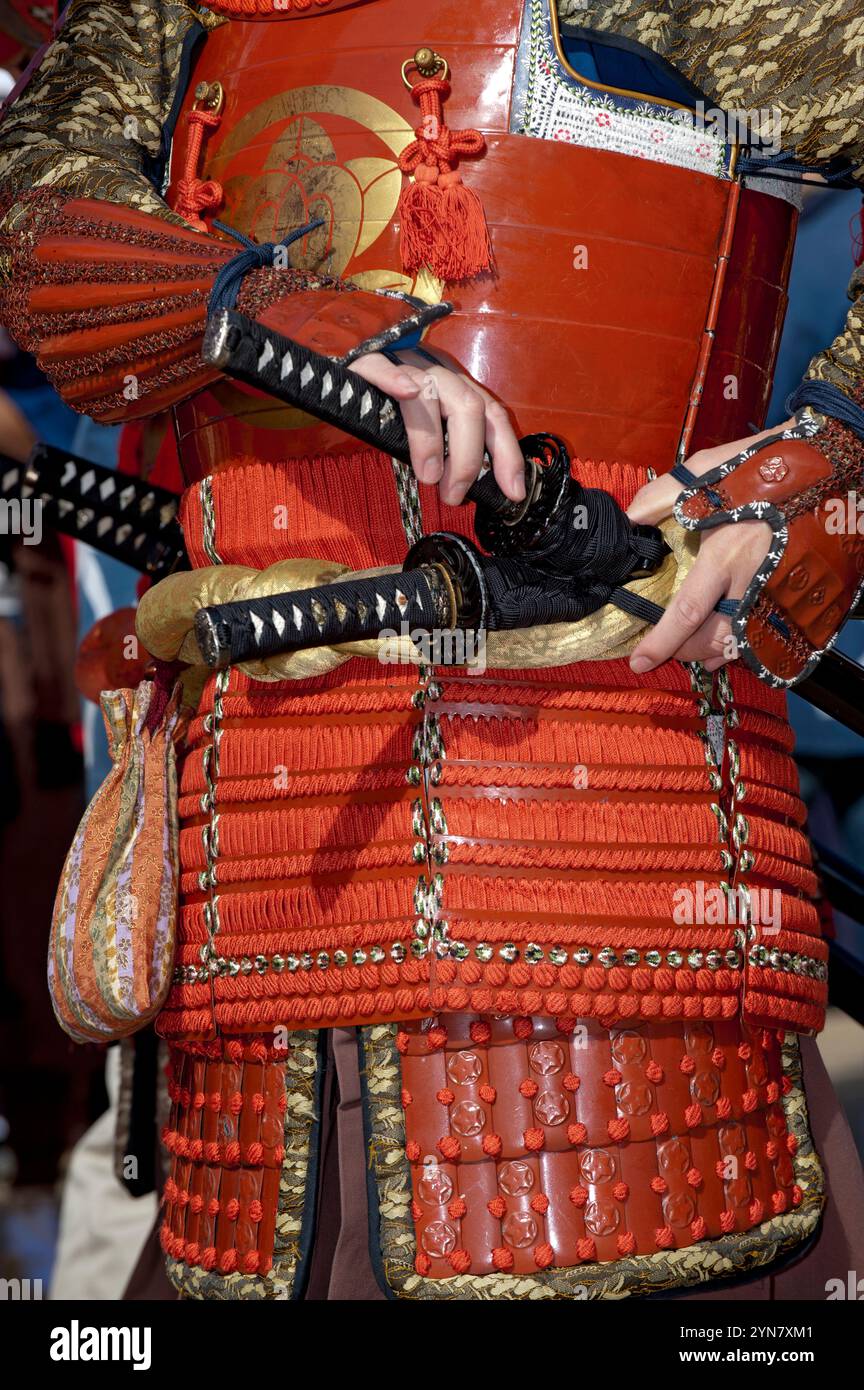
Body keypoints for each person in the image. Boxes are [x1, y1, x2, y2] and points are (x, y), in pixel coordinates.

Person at [0, 0, 863, 1301]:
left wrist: (831, 453)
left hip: (602, 846)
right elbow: (33, 233)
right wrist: (278, 313)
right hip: (261, 861)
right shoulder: (156, 14)